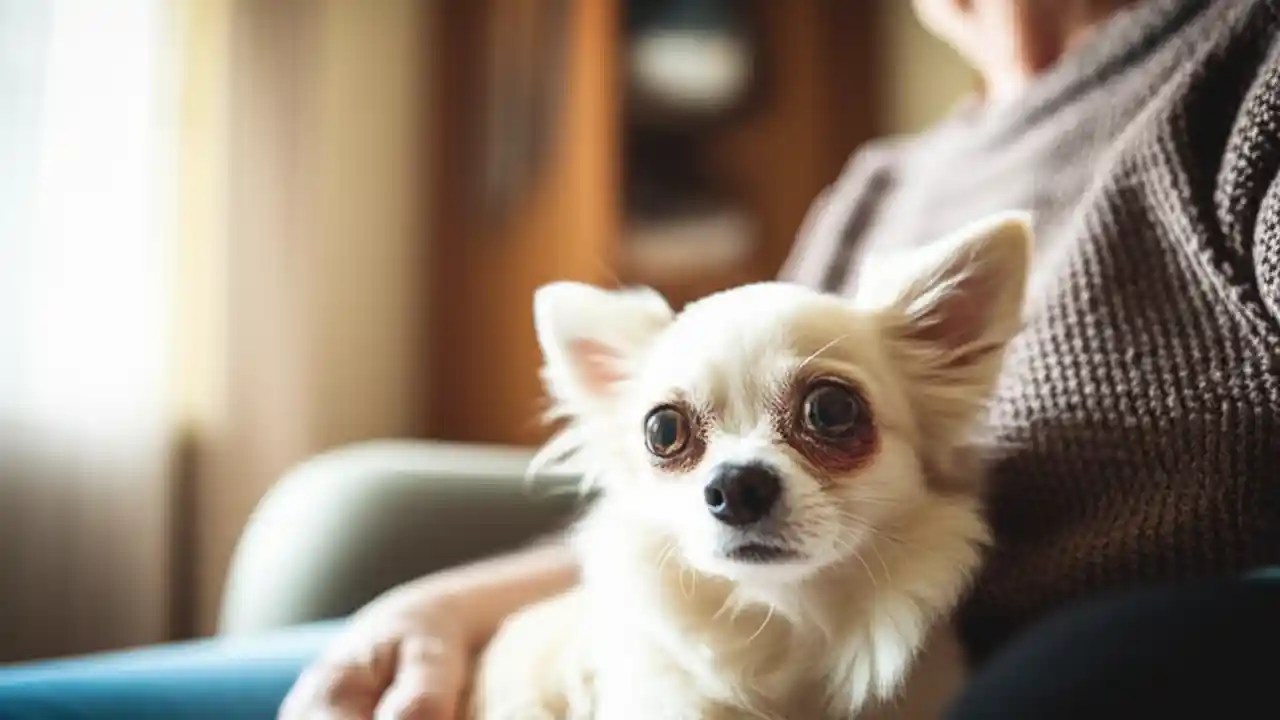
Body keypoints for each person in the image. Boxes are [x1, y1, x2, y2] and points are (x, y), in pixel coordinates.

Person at [2, 0, 1278, 717]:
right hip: (640, 649)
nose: (736, 466)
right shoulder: (884, 183)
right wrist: (439, 609)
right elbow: (679, 497)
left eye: (825, 412)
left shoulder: (1241, 69)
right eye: (681, 434)